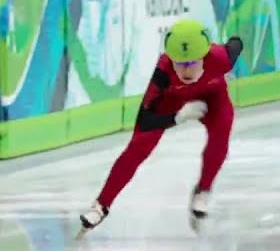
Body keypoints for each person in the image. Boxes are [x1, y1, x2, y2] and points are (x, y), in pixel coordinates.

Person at [78, 19, 244, 238]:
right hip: (170, 102)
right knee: (138, 147)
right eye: (179, 63)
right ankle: (101, 206)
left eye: (192, 62)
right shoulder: (163, 73)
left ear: (204, 56)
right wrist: (176, 117)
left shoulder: (220, 58)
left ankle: (203, 189)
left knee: (221, 131)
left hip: (212, 96)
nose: (186, 69)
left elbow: (236, 43)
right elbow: (146, 120)